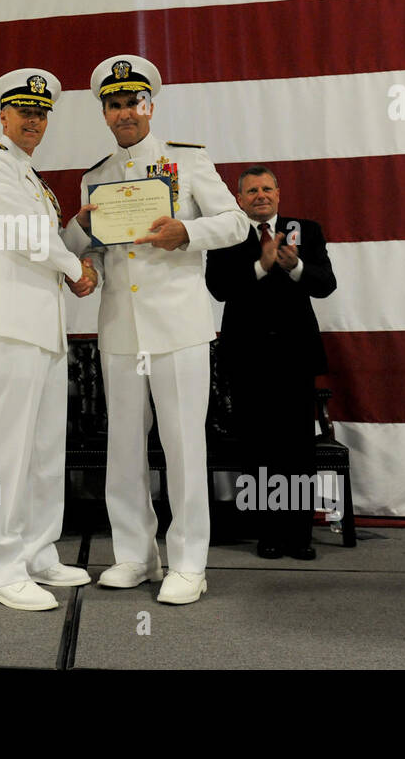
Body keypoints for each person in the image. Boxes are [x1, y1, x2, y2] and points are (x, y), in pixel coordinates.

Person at [63, 55, 250, 604]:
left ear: (150, 106)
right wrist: (82, 249)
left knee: (184, 447)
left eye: (132, 103)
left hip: (178, 326)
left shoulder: (187, 162)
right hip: (120, 326)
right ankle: (135, 555)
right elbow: (81, 249)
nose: (124, 112)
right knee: (123, 448)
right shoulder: (94, 177)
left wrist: (185, 232)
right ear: (104, 113)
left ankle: (189, 563)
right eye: (114, 105)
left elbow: (236, 223)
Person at [0, 68, 99, 612]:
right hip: (9, 321)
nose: (34, 120)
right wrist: (73, 267)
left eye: (42, 113)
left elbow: (43, 239)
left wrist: (81, 231)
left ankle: (38, 550)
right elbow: (20, 233)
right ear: (3, 115)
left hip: (44, 324)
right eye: (24, 111)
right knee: (4, 450)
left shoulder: (33, 178)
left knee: (43, 450)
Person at [205, 165, 336, 560]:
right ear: (239, 198)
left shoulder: (305, 230)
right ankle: (269, 533)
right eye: (251, 191)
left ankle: (299, 535)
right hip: (247, 359)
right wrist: (261, 266)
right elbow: (219, 288)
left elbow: (325, 284)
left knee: (296, 448)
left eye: (266, 188)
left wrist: (293, 266)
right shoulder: (227, 234)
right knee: (258, 448)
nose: (260, 195)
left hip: (295, 358)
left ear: (278, 193)